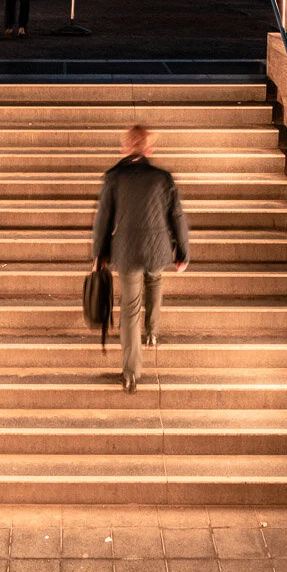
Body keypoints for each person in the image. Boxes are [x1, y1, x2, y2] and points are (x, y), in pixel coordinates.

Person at [92, 125, 189, 393]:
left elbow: (103, 219)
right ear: (149, 149)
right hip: (157, 248)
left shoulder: (113, 177)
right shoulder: (162, 178)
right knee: (155, 280)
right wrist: (182, 252)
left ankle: (131, 373)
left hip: (127, 250)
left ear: (125, 148)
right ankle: (153, 331)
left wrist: (99, 253)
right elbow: (177, 216)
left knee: (130, 310)